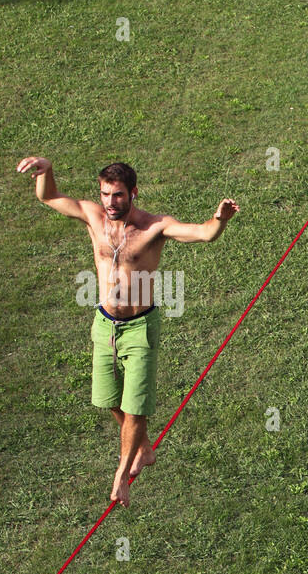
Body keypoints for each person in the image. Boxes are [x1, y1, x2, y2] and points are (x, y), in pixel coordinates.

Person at [17, 158, 239, 506]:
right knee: (107, 399)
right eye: (105, 194)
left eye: (118, 195)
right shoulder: (94, 217)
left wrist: (219, 220)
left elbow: (202, 233)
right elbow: (50, 198)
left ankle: (122, 474)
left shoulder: (154, 227)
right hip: (104, 323)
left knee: (135, 407)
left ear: (133, 193)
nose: (110, 202)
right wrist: (45, 171)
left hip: (139, 328)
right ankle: (144, 448)